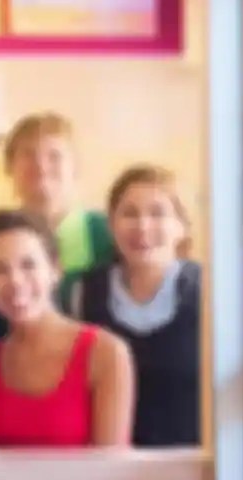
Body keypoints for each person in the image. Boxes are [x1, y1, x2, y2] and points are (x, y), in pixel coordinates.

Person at [0, 209, 134, 447]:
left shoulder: (106, 353)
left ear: (55, 271)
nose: (14, 280)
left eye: (28, 265)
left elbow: (112, 471)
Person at [68, 165, 201, 446]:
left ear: (182, 227)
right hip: (108, 469)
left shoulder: (207, 292)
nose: (142, 226)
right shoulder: (84, 293)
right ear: (111, 225)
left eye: (157, 213)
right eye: (129, 214)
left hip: (190, 467)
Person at [0, 112, 116, 337]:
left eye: (54, 155)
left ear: (75, 167)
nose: (41, 165)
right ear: (10, 168)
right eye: (28, 154)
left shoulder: (106, 233)